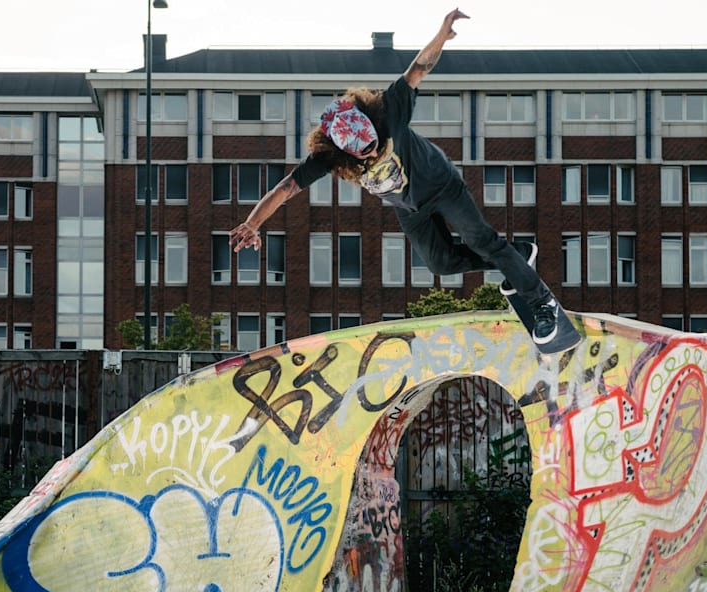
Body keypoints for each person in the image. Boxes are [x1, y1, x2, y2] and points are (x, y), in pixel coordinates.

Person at [228, 8, 563, 345]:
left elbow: (417, 69)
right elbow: (287, 187)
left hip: (443, 186)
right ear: (344, 151)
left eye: (374, 144)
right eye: (363, 153)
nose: (372, 152)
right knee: (442, 264)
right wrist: (253, 223)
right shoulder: (328, 155)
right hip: (409, 208)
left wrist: (441, 35)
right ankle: (514, 255)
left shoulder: (389, 110)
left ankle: (542, 303)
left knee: (481, 241)